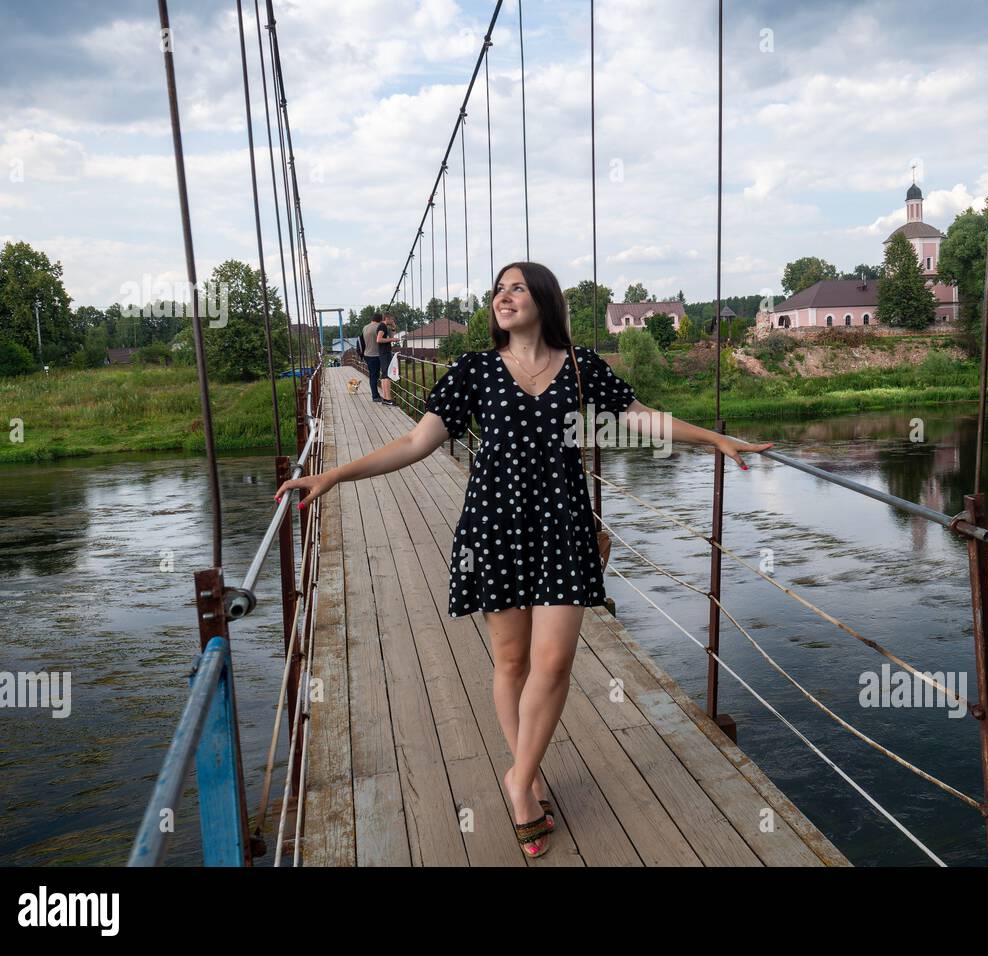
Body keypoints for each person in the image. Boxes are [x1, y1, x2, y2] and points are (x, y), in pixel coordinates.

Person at [275, 261, 773, 860]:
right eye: (498, 290)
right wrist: (334, 474)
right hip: (494, 528)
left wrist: (715, 438)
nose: (503, 297)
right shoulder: (474, 369)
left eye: (516, 287)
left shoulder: (582, 367)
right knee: (511, 661)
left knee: (555, 661)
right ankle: (527, 778)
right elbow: (415, 442)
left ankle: (518, 777)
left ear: (543, 299)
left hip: (563, 529)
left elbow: (639, 417)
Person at [360, 313, 385, 402]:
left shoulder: (365, 327)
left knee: (373, 375)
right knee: (383, 375)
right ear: (381, 319)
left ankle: (375, 395)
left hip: (367, 354)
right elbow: (389, 337)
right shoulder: (380, 327)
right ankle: (377, 396)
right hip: (377, 354)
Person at [377, 314, 398, 406]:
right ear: (387, 318)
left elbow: (390, 336)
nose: (393, 321)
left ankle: (385, 398)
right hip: (385, 353)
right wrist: (391, 340)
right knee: (387, 375)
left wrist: (393, 327)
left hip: (384, 353)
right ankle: (388, 399)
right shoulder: (382, 326)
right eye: (392, 320)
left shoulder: (384, 326)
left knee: (384, 375)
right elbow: (379, 339)